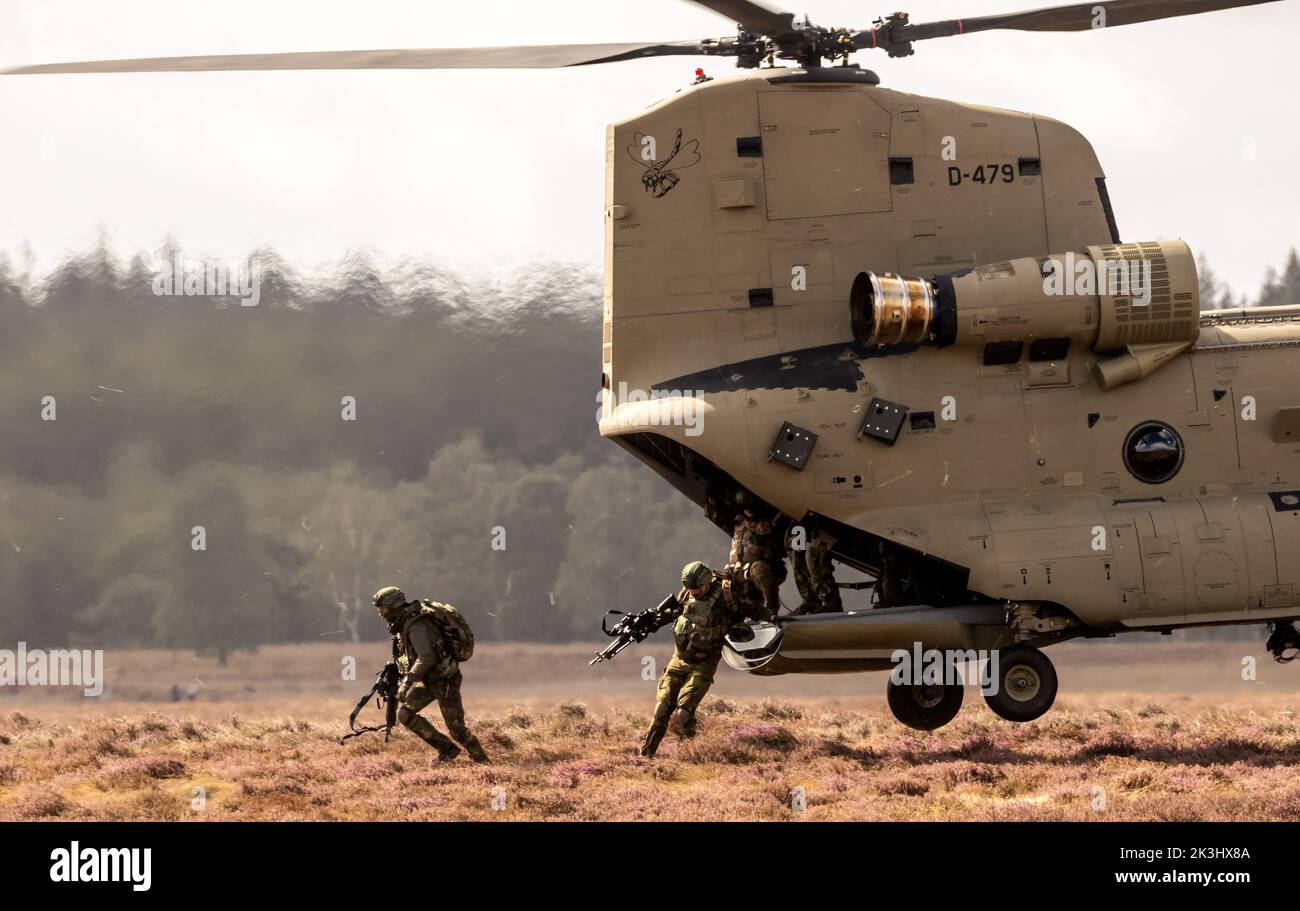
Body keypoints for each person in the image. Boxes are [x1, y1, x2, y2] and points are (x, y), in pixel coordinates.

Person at [640, 561, 749, 758]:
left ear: (706, 583)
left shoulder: (725, 598)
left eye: (696, 588)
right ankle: (645, 756)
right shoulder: (686, 593)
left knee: (683, 714)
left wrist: (733, 629)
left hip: (703, 665)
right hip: (679, 660)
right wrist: (655, 619)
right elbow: (676, 613)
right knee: (661, 709)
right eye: (690, 588)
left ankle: (692, 754)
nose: (693, 592)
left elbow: (744, 623)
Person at [372, 586, 490, 764]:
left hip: (445, 680)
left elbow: (427, 657)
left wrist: (407, 683)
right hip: (428, 680)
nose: (380, 613)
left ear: (395, 606)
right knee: (405, 715)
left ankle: (483, 762)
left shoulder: (417, 625)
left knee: (457, 730)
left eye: (383, 609)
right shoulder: (403, 624)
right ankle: (448, 750)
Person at [707, 488, 787, 620]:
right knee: (711, 581)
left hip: (758, 573)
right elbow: (714, 514)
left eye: (751, 506)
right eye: (745, 507)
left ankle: (772, 609)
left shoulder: (766, 524)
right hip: (737, 575)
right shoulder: (736, 522)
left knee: (758, 568)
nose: (749, 510)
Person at [788, 517, 843, 614]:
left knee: (813, 560)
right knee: (798, 560)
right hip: (800, 526)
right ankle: (811, 600)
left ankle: (830, 599)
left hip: (818, 525)